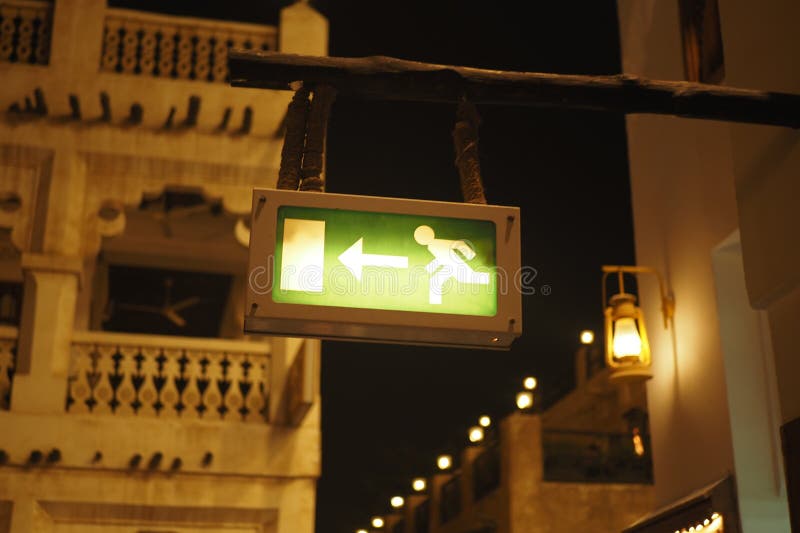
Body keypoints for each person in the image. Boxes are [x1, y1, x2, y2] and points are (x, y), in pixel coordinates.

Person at [414, 225, 490, 304]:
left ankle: (490, 279)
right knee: (435, 281)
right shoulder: (432, 246)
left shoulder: (437, 243)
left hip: (456, 265)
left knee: (469, 277)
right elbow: (441, 258)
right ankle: (435, 304)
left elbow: (459, 244)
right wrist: (429, 268)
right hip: (449, 266)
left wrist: (470, 254)